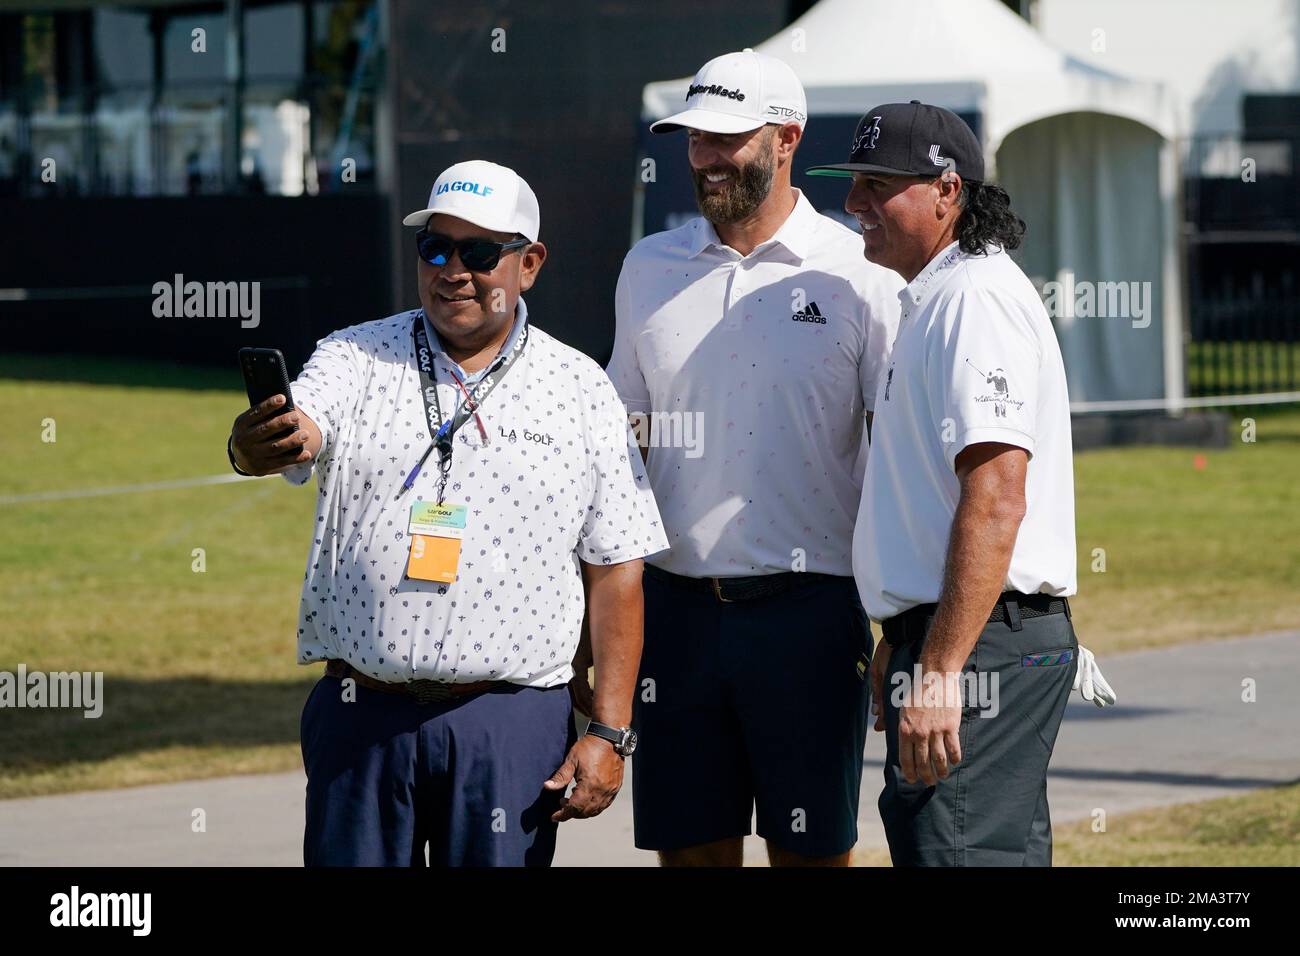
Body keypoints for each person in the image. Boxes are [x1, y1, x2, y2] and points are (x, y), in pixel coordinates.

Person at [227, 159, 668, 867]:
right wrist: (261, 444)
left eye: (480, 252)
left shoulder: (580, 386)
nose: (453, 270)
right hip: (361, 712)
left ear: (530, 264)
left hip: (509, 719)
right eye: (436, 247)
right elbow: (298, 432)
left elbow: (616, 568)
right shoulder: (354, 354)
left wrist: (610, 734)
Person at [607, 50, 903, 866]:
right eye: (694, 137)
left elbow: (902, 459)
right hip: (672, 618)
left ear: (788, 138)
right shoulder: (647, 267)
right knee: (691, 855)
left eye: (727, 137)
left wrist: (902, 619)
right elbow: (619, 445)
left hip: (809, 616)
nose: (705, 156)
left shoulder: (860, 271)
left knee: (811, 857)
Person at [808, 101, 1114, 867]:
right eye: (854, 185)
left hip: (981, 649)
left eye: (879, 186)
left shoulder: (974, 300)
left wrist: (940, 666)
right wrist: (905, 634)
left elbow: (997, 498)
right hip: (972, 639)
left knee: (956, 850)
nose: (854, 205)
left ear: (949, 191)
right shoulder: (945, 296)